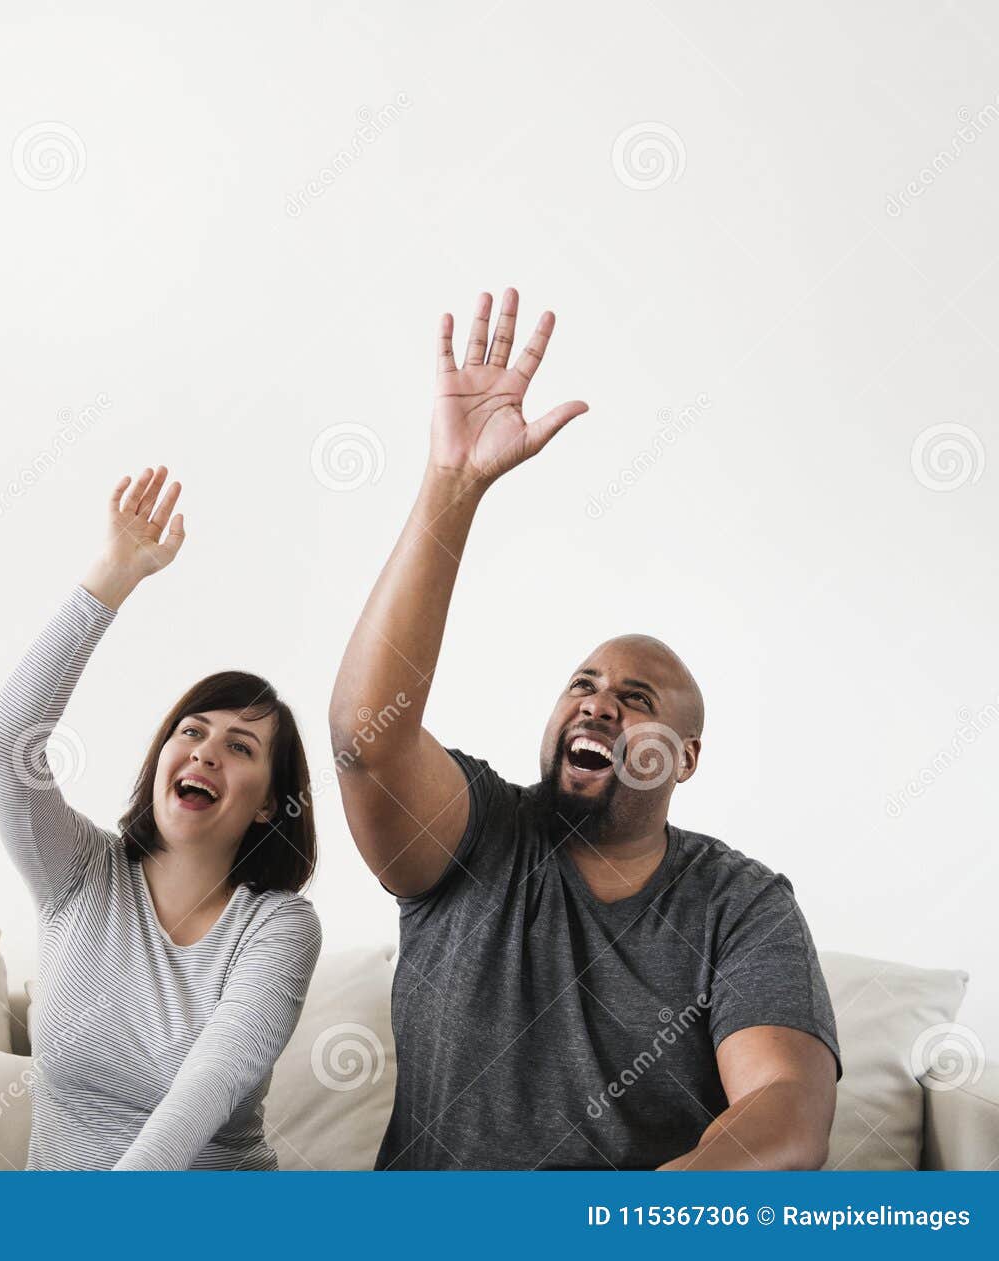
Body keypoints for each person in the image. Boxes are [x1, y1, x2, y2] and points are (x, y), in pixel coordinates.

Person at [329, 289, 840, 1171]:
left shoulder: (740, 905)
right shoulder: (478, 831)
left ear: (685, 758)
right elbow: (365, 742)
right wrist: (453, 487)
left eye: (637, 698)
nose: (598, 704)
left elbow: (787, 1113)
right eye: (583, 684)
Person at [0, 467, 322, 1169]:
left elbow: (207, 1086)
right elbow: (3, 745)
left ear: (266, 803)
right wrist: (112, 576)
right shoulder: (77, 872)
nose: (205, 753)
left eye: (240, 746)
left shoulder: (278, 926)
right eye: (190, 731)